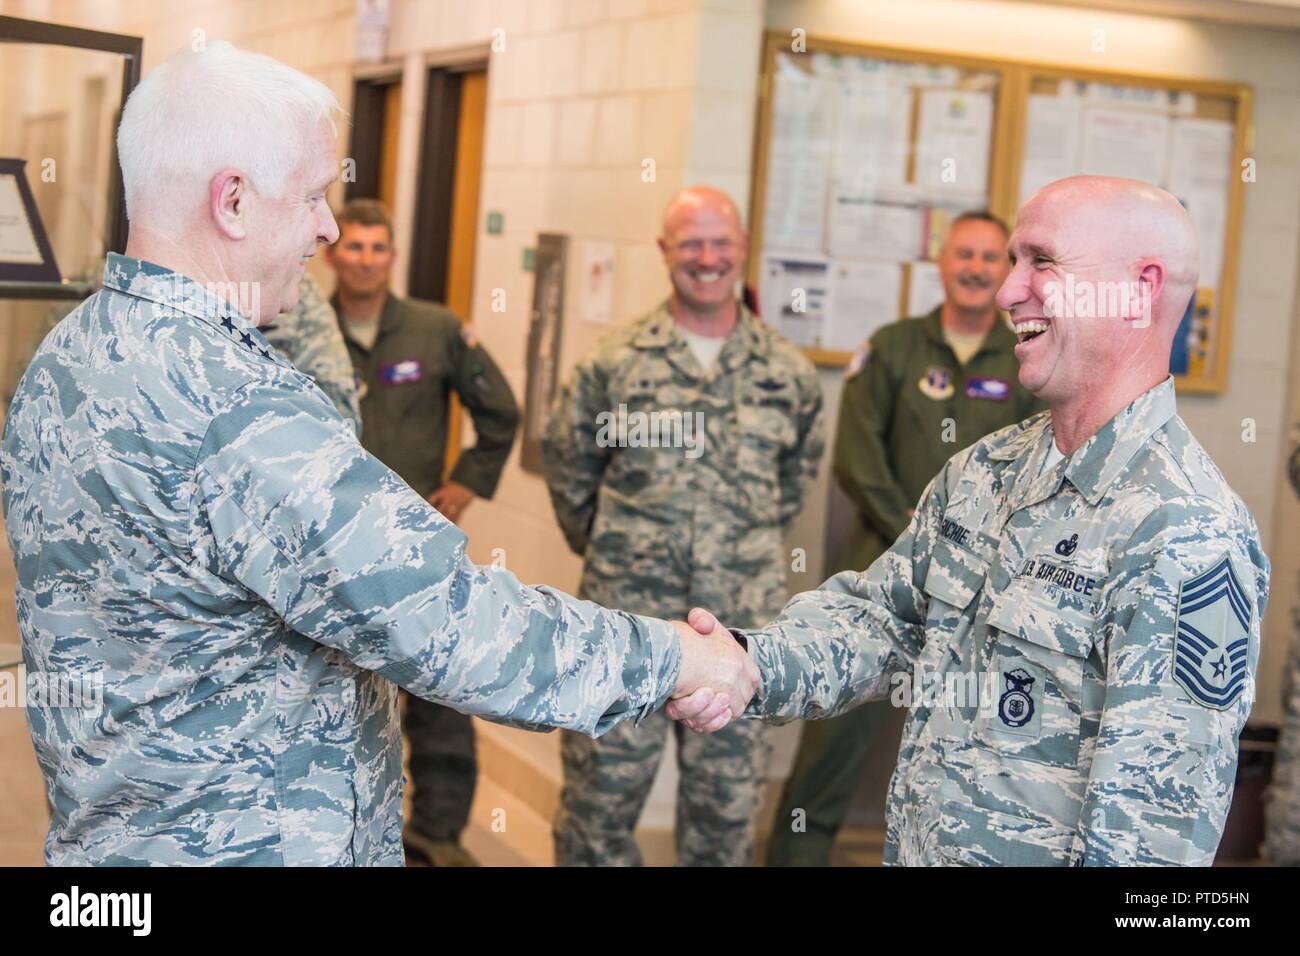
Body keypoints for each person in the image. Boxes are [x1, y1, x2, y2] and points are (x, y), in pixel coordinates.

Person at [0, 41, 754, 867]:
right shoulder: (237, 404)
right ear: (235, 201)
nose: (328, 228)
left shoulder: (69, 355)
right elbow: (456, 626)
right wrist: (680, 656)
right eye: (317, 198)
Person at [674, 176, 1270, 866]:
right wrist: (747, 663)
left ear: (1139, 290)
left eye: (1041, 262)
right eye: (1014, 261)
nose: (1008, 290)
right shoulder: (986, 468)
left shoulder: (1186, 531)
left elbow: (1149, 843)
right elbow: (882, 622)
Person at [543, 186, 824, 866]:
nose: (707, 258)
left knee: (724, 823)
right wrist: (620, 550)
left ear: (743, 249)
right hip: (626, 625)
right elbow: (570, 472)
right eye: (690, 243)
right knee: (596, 813)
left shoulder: (787, 373)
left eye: (720, 242)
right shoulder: (613, 365)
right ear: (665, 251)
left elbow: (792, 484)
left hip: (738, 635)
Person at [768, 211, 1044, 866]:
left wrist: (969, 552)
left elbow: (1038, 465)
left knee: (982, 741)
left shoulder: (1029, 354)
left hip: (989, 580)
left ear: (1006, 272)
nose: (977, 267)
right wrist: (927, 539)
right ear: (941, 262)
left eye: (990, 257)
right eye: (964, 254)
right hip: (884, 563)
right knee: (832, 738)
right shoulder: (891, 347)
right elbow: (856, 462)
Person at [324, 198, 520, 867]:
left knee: (439, 693)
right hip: (326, 553)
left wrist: (466, 482)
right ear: (332, 252)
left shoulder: (435, 331)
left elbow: (500, 411)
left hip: (416, 550)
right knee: (332, 693)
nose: (367, 260)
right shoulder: (300, 326)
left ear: (393, 256)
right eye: (354, 247)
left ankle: (436, 835)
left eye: (379, 247)